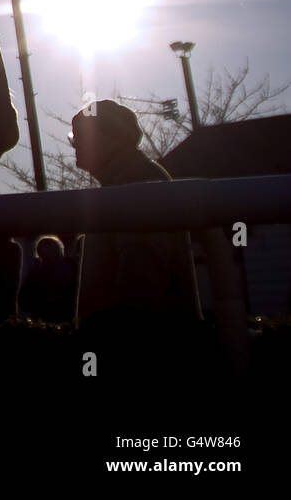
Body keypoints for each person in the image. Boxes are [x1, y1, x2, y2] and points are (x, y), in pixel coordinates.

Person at [68, 100, 202, 382]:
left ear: (109, 136)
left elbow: (140, 282)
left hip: (143, 361)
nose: (74, 146)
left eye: (80, 137)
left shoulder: (137, 183)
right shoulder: (125, 182)